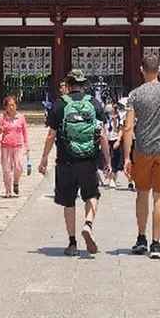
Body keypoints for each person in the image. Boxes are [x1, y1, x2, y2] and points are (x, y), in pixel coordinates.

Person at [38, 68, 110, 257]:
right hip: (88, 159)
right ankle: (88, 224)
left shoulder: (60, 105)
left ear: (68, 85)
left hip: (65, 161)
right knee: (92, 195)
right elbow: (102, 135)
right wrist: (108, 160)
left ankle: (72, 242)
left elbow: (51, 135)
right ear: (84, 84)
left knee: (68, 202)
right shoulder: (94, 104)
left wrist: (44, 158)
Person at [122, 54, 160, 260]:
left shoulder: (135, 95)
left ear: (142, 70)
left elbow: (129, 127)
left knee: (142, 193)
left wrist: (127, 157)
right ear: (159, 69)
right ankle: (156, 243)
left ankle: (141, 238)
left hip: (144, 149)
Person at [0, 95, 30, 198]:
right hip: (5, 146)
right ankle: (8, 190)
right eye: (9, 105)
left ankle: (16, 182)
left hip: (17, 146)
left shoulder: (21, 118)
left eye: (13, 105)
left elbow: (25, 132)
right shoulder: (2, 118)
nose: (11, 107)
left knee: (18, 166)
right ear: (5, 107)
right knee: (6, 169)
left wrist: (27, 144)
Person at [101, 102, 125, 189]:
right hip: (107, 140)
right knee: (108, 159)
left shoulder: (119, 117)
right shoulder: (104, 117)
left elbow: (121, 128)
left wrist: (118, 140)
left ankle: (114, 177)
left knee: (117, 160)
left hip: (115, 140)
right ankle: (110, 178)